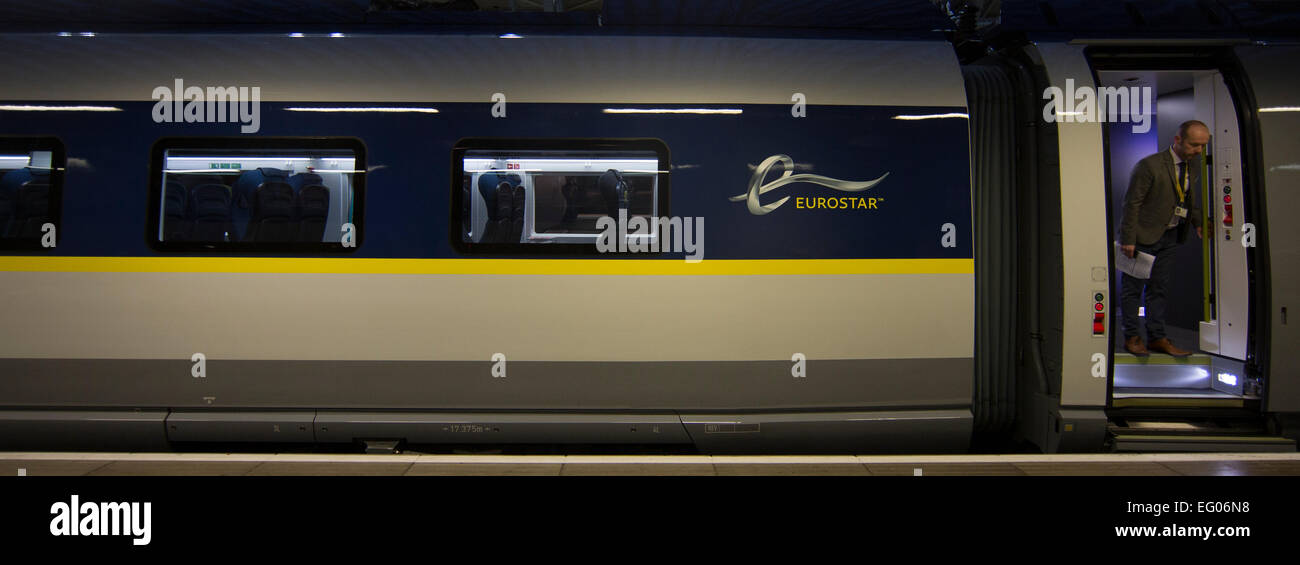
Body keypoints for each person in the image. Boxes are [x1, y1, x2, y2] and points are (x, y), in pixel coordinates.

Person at [1119, 120, 1207, 357]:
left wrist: (1198, 222)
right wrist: (1128, 238)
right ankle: (1132, 337)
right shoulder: (1149, 165)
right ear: (1178, 140)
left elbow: (1188, 199)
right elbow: (1131, 203)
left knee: (1159, 288)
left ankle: (1157, 338)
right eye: (1194, 145)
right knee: (1133, 289)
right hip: (1142, 236)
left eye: (1202, 146)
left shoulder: (1193, 165)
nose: (1198, 150)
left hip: (1170, 235)